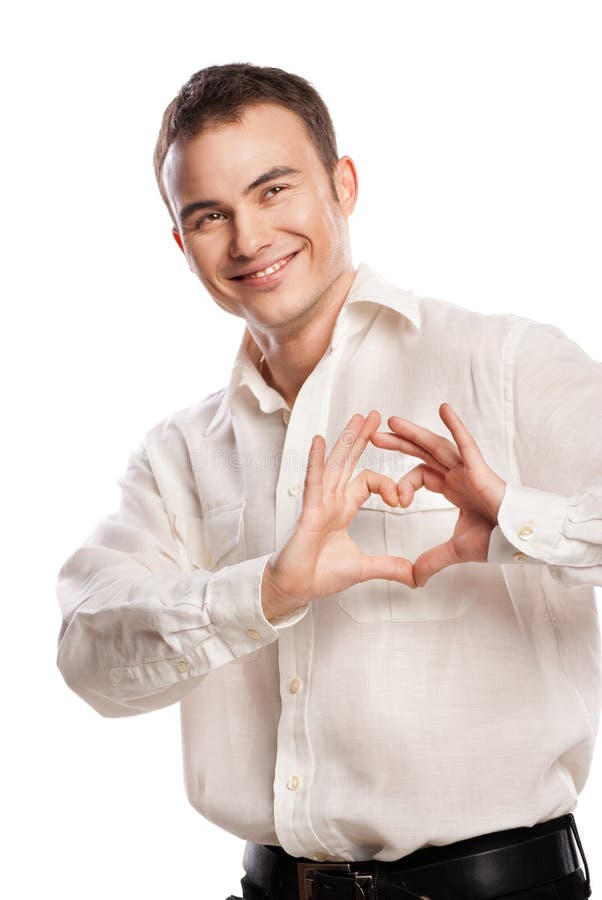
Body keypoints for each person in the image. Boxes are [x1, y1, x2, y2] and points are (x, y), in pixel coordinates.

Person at [55, 63, 601, 900]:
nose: (248, 239)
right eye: (209, 215)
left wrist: (521, 521)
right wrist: (266, 593)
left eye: (273, 189)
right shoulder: (179, 452)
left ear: (343, 184)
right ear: (181, 243)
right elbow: (89, 655)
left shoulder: (501, 364)